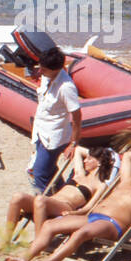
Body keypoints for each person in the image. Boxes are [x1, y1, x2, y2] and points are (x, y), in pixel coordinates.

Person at [7, 149, 131, 261]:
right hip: (93, 217)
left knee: (82, 233)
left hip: (112, 225)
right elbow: (127, 157)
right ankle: (24, 258)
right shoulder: (126, 181)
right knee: (50, 225)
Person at [5, 145, 118, 234]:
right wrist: (97, 154)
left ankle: (39, 240)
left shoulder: (101, 185)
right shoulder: (80, 173)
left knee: (40, 200)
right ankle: (5, 240)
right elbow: (78, 150)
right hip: (48, 202)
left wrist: (72, 213)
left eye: (89, 159)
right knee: (18, 197)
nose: (85, 161)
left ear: (99, 163)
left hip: (65, 206)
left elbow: (89, 207)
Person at [29, 46, 82, 195]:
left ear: (55, 69)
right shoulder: (48, 76)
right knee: (50, 169)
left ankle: (43, 204)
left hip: (54, 137)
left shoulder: (66, 87)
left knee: (39, 173)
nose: (41, 71)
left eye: (43, 70)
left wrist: (73, 143)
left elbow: (77, 116)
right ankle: (64, 195)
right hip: (41, 130)